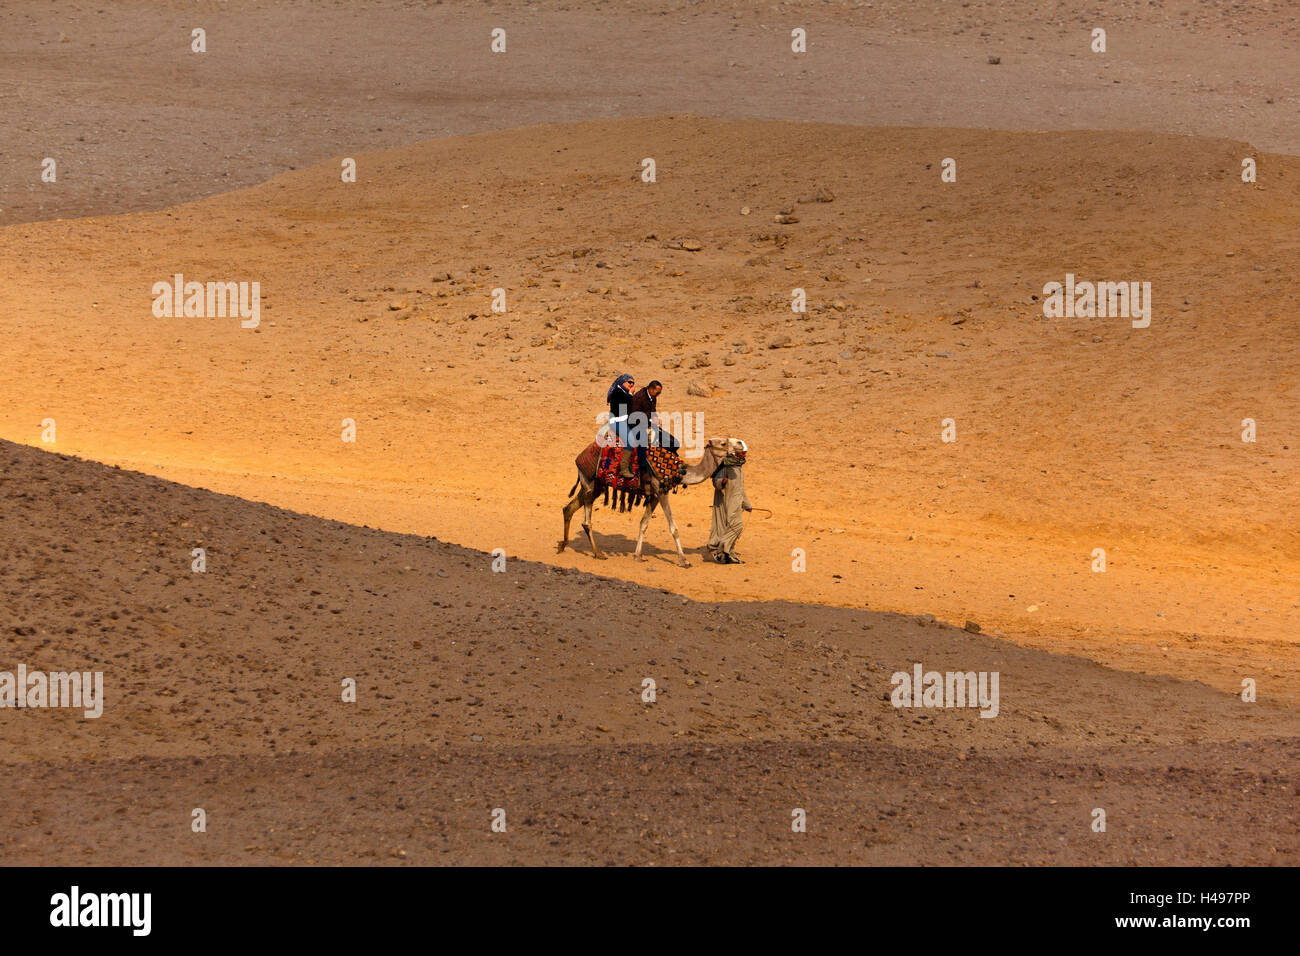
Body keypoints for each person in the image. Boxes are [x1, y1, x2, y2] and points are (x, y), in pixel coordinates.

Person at [707, 443, 752, 564]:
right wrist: (722, 481)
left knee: (733, 526)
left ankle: (728, 551)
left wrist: (747, 505)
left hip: (736, 501)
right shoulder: (726, 466)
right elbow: (716, 482)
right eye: (743, 453)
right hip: (725, 500)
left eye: (745, 453)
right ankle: (723, 548)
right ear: (736, 453)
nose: (744, 455)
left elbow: (740, 489)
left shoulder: (738, 468)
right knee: (736, 526)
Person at [627, 380, 664, 479]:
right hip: (634, 423)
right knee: (642, 439)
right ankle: (642, 469)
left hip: (646, 422)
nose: (658, 394)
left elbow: (653, 411)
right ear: (651, 389)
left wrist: (655, 419)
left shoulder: (653, 397)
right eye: (657, 392)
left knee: (663, 436)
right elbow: (634, 415)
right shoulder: (639, 397)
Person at [606, 374, 635, 476]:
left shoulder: (624, 393)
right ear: (622, 382)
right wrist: (631, 394)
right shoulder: (617, 392)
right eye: (629, 382)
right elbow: (624, 405)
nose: (631, 384)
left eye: (633, 383)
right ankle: (624, 468)